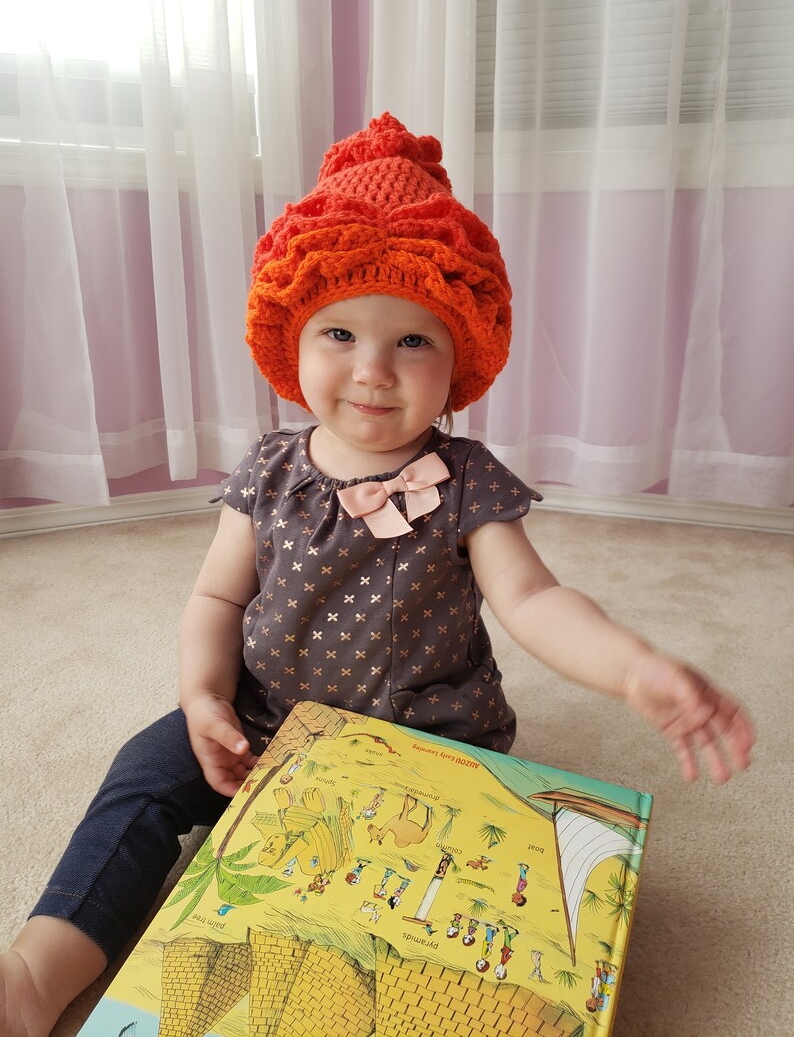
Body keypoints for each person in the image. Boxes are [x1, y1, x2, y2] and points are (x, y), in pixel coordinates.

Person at [0, 112, 754, 1037]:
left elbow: (534, 599)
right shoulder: (269, 469)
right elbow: (217, 596)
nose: (373, 371)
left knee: (408, 911)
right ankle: (38, 969)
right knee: (144, 773)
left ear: (462, 355)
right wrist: (203, 697)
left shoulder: (468, 480)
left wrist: (634, 667)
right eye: (340, 332)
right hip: (266, 721)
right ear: (291, 336)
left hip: (430, 745)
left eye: (413, 342)